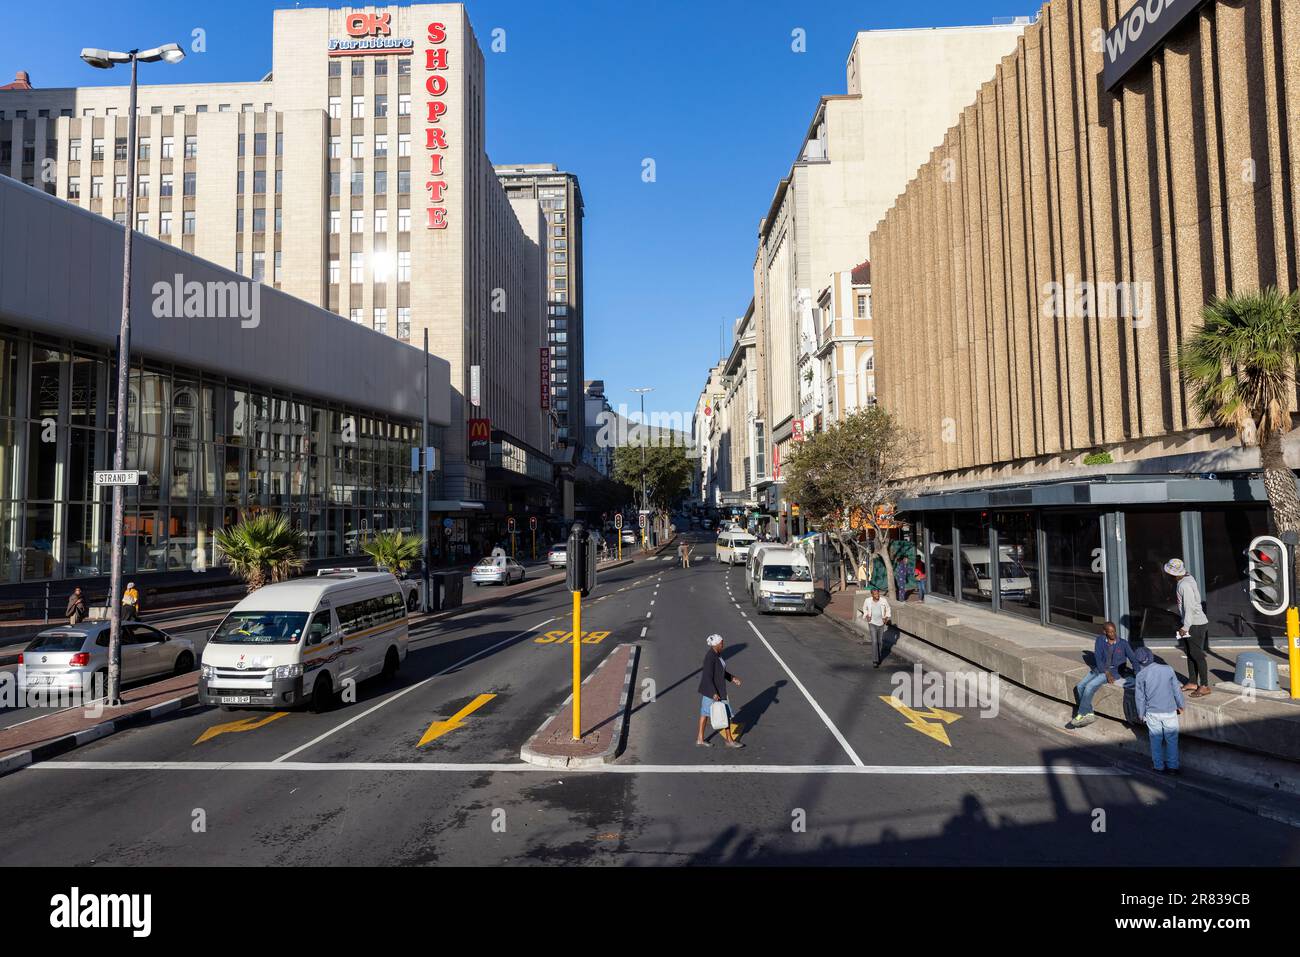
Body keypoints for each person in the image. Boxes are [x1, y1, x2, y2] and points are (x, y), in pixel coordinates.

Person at [1069, 621, 1140, 727]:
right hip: (1100, 669)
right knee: (1080, 686)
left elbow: (1134, 660)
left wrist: (1138, 675)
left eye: (1114, 631)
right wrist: (1105, 672)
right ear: (1105, 632)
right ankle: (1089, 713)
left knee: (1089, 687)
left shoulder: (1123, 643)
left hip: (1114, 671)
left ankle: (1081, 714)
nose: (1113, 634)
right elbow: (1097, 657)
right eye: (1110, 632)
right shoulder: (1100, 640)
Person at [1134, 646, 1184, 774]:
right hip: (1169, 711)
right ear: (1152, 656)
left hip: (1152, 713)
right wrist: (1181, 704)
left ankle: (1158, 766)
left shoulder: (1140, 675)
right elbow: (1176, 690)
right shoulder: (1168, 669)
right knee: (1171, 740)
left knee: (1155, 741)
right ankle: (1173, 766)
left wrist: (1141, 714)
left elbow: (1140, 698)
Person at [1164, 558, 1211, 697]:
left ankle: (1204, 685)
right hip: (1189, 622)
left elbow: (1189, 607)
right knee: (1189, 653)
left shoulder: (1183, 585)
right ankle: (1192, 681)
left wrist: (1185, 627)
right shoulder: (1187, 577)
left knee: (1197, 655)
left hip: (1194, 624)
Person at [696, 634, 743, 748]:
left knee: (705, 714)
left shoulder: (717, 655)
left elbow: (721, 672)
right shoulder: (710, 657)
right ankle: (729, 740)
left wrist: (732, 678)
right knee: (723, 713)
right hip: (713, 691)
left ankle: (700, 739)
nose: (723, 644)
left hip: (714, 690)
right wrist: (713, 693)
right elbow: (707, 676)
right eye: (721, 643)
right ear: (716, 644)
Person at [860, 587, 892, 668]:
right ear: (872, 595)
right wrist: (866, 615)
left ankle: (879, 656)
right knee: (874, 641)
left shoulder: (883, 600)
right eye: (875, 594)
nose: (877, 595)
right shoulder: (867, 600)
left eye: (878, 593)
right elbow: (864, 608)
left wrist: (886, 617)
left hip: (881, 624)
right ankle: (875, 660)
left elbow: (888, 608)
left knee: (880, 642)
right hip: (872, 623)